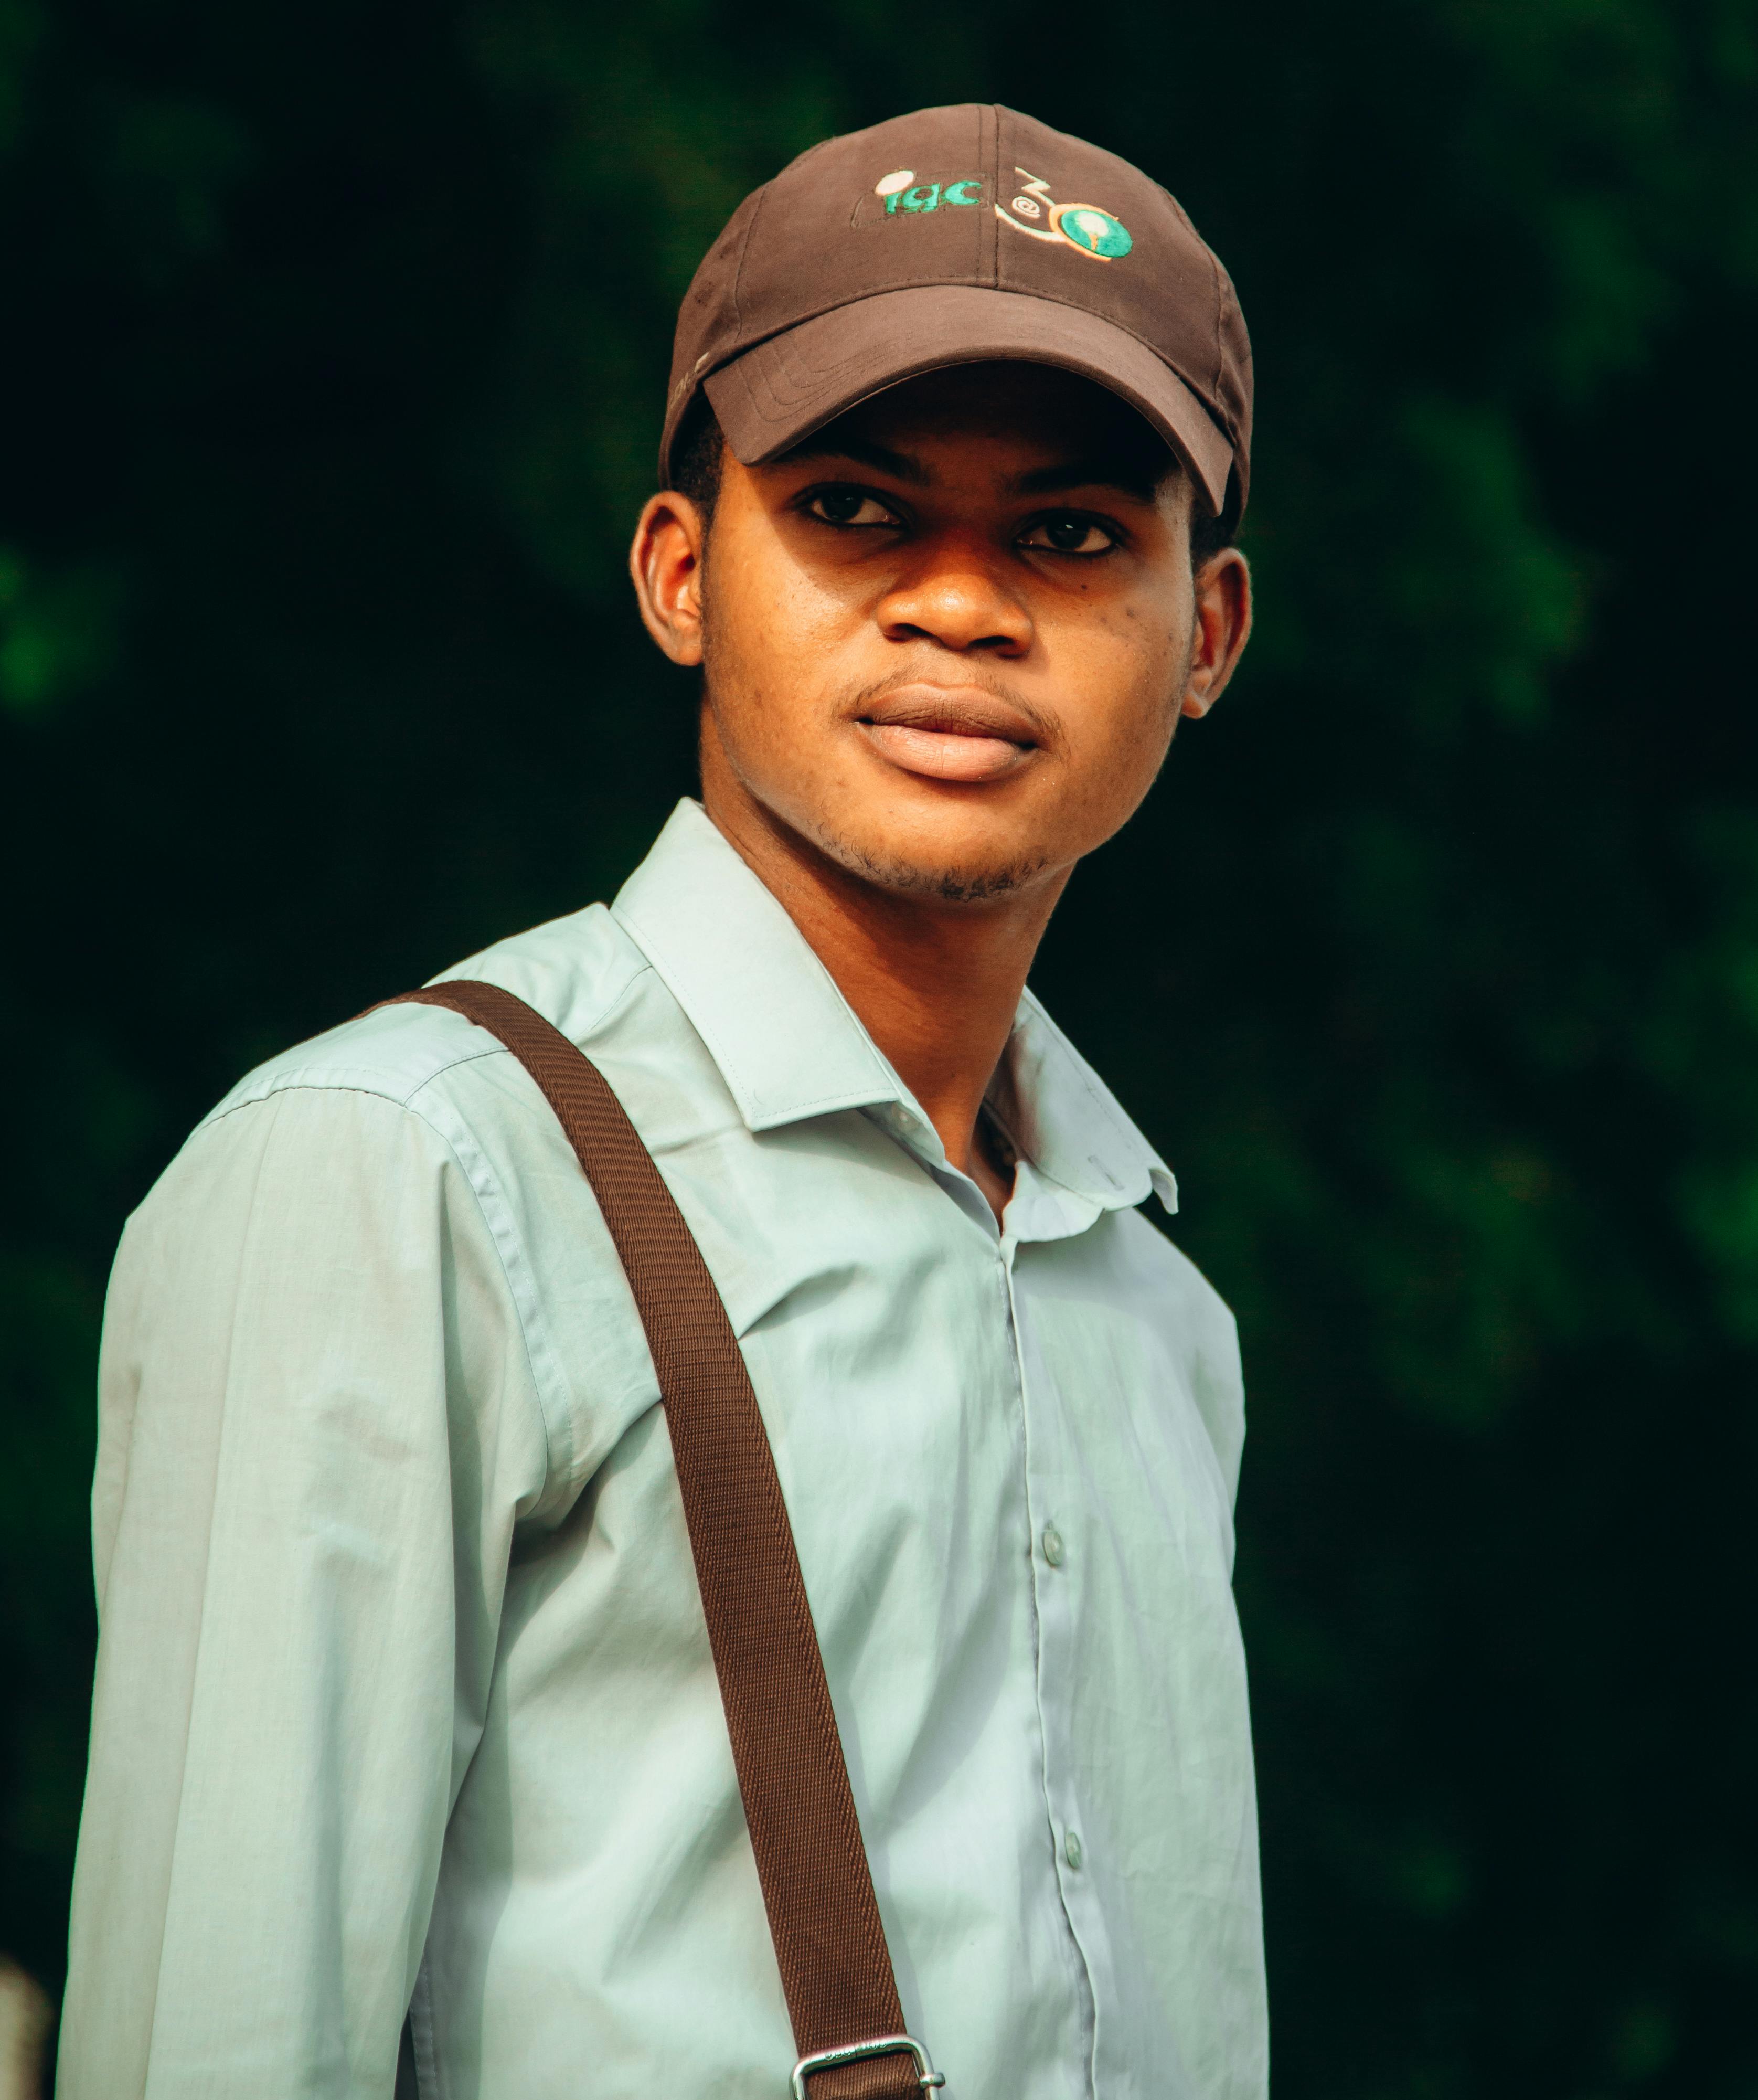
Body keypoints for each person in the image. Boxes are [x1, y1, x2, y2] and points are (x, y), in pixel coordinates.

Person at [58, 104, 1263, 2100]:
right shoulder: (407, 1171)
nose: (962, 604)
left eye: (1066, 532)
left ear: (1203, 631)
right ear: (683, 572)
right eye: (863, 509)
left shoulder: (1154, 1313)